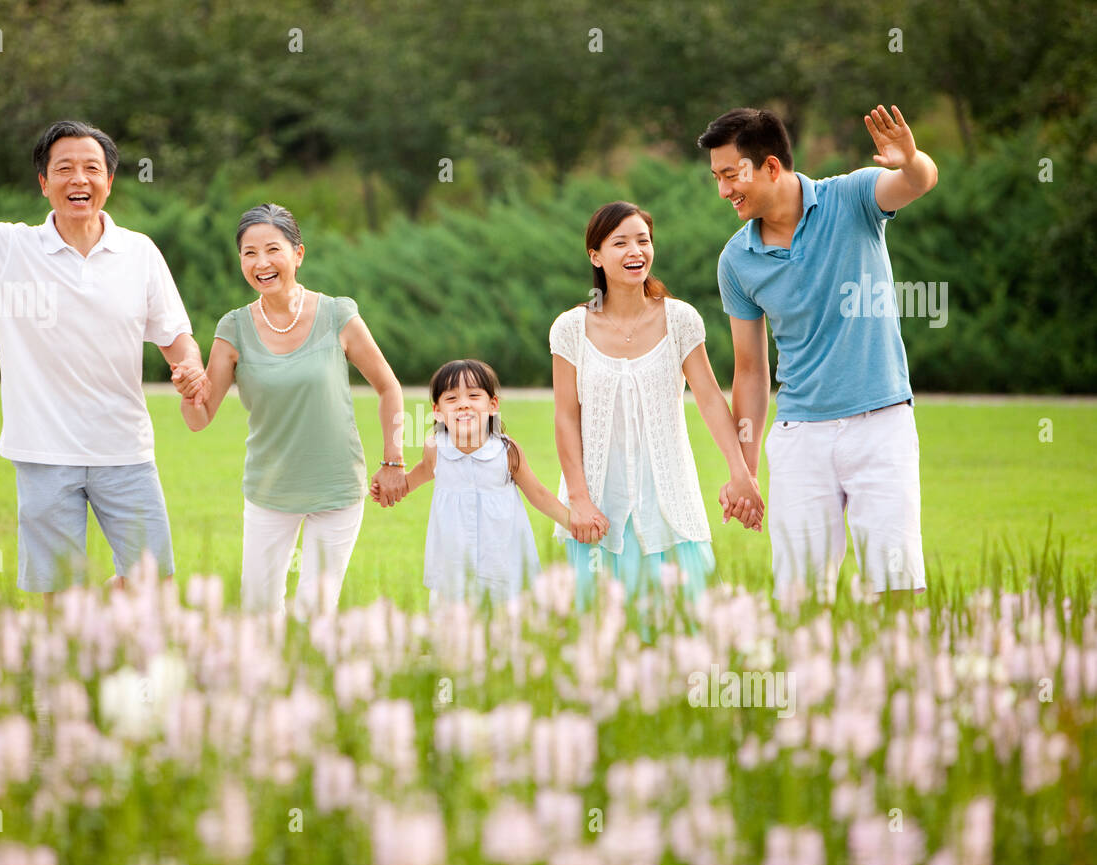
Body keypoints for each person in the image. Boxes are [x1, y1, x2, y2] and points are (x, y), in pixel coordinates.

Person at [0, 91, 209, 598]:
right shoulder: (9, 249)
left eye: (91, 168)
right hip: (43, 451)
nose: (78, 179)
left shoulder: (140, 253)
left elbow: (176, 337)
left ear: (108, 180)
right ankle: (67, 662)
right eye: (64, 168)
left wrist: (190, 367)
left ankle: (100, 624)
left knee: (154, 586)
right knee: (57, 599)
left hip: (125, 450)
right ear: (44, 183)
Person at [698, 105, 938, 602]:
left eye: (730, 175)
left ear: (769, 166)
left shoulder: (850, 198)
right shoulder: (737, 261)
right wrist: (744, 471)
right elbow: (749, 371)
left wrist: (910, 159)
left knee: (897, 588)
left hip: (882, 425)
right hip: (800, 436)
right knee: (800, 598)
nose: (723, 191)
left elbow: (918, 182)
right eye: (716, 178)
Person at [176, 203, 407, 617]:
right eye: (249, 253)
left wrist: (393, 460)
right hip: (270, 489)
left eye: (272, 249)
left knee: (315, 613)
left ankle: (314, 682)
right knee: (259, 612)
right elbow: (199, 419)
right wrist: (189, 391)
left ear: (298, 254)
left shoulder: (337, 314)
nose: (261, 262)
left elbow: (389, 387)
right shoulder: (233, 329)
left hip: (336, 488)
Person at [550, 201, 763, 609]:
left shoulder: (680, 319)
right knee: (598, 633)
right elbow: (565, 418)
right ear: (595, 255)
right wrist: (578, 497)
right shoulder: (570, 329)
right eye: (621, 243)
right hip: (597, 510)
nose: (636, 252)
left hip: (670, 505)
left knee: (688, 628)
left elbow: (710, 401)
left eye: (643, 241)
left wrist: (741, 474)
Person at [371, 359, 570, 605]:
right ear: (437, 411)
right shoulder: (436, 449)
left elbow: (538, 494)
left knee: (505, 627)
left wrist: (573, 522)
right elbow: (419, 474)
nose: (463, 404)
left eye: (474, 395)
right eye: (452, 399)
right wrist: (392, 490)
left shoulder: (506, 451)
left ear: (492, 405)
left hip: (502, 561)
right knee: (452, 628)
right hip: (453, 561)